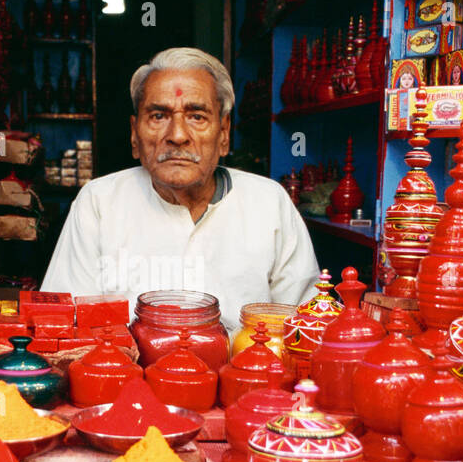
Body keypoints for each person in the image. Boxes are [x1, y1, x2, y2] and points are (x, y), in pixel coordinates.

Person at [41, 47, 320, 332]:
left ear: (224, 134)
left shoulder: (268, 203)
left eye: (197, 116)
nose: (177, 136)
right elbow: (64, 322)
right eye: (158, 116)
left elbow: (306, 326)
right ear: (134, 134)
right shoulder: (99, 202)